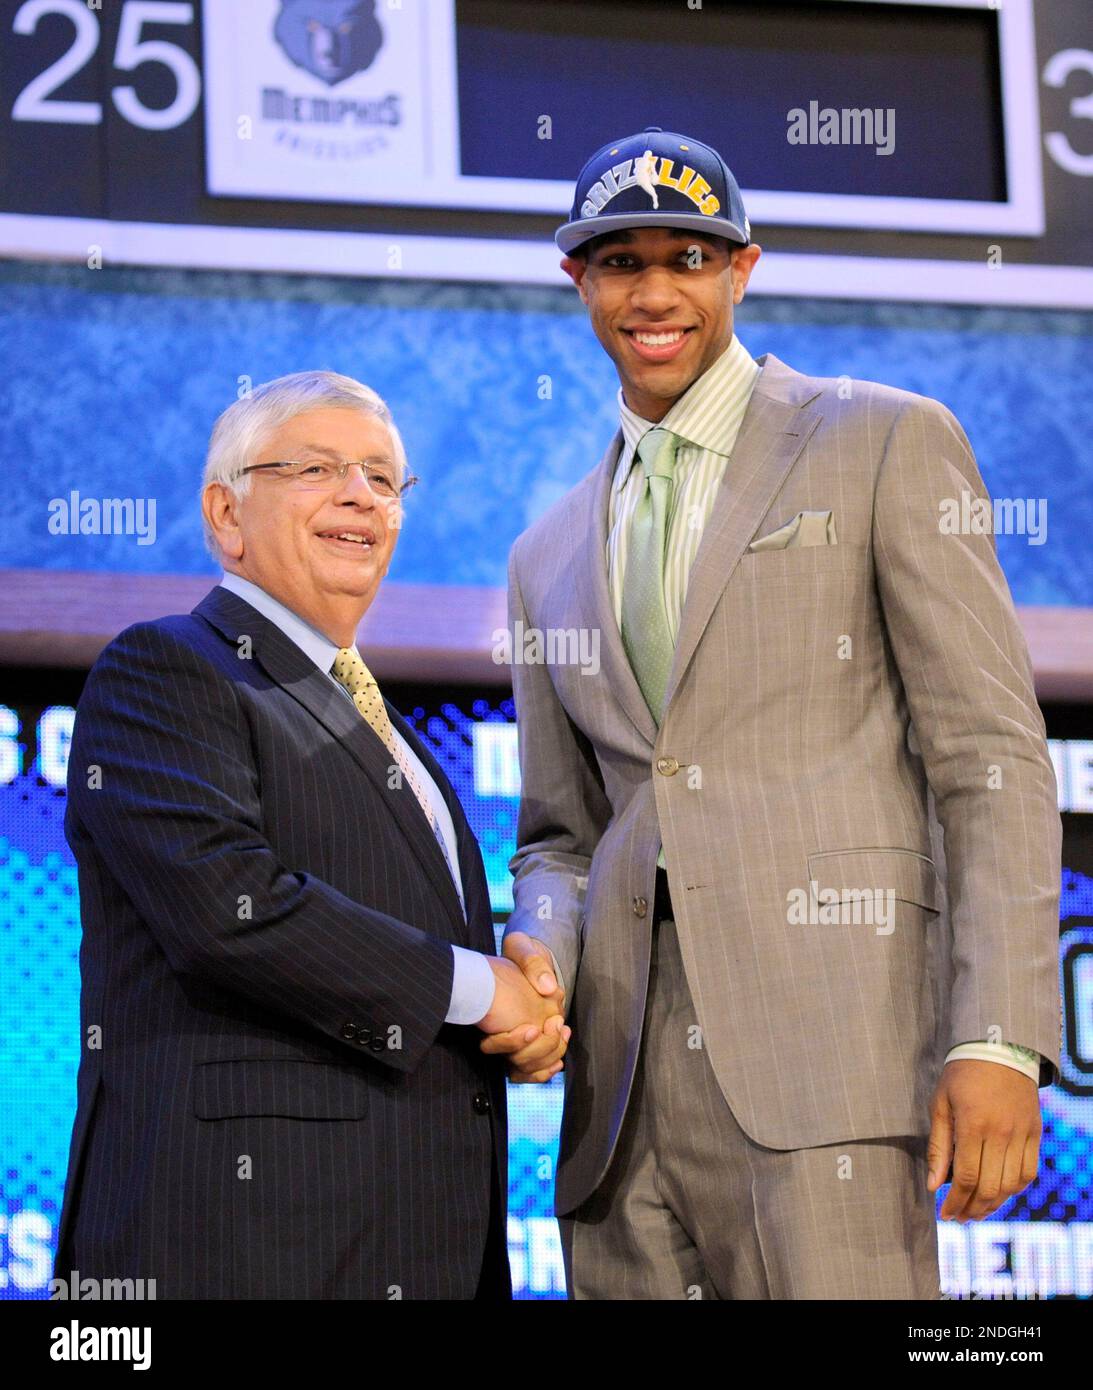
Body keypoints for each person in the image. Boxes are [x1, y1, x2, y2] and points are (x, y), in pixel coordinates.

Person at [490, 128, 1062, 1299]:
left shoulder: (879, 438)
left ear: (741, 269)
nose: (654, 292)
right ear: (577, 281)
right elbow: (558, 831)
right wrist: (540, 947)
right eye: (619, 261)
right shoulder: (543, 552)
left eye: (688, 257)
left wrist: (996, 1036)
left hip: (830, 1068)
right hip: (616, 1107)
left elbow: (990, 756)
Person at [55, 370, 566, 1300]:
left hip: (416, 1245)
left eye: (382, 477)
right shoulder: (166, 668)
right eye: (317, 468)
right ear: (226, 513)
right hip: (242, 1246)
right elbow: (225, 908)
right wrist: (474, 986)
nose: (359, 495)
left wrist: (516, 1021)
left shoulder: (393, 731)